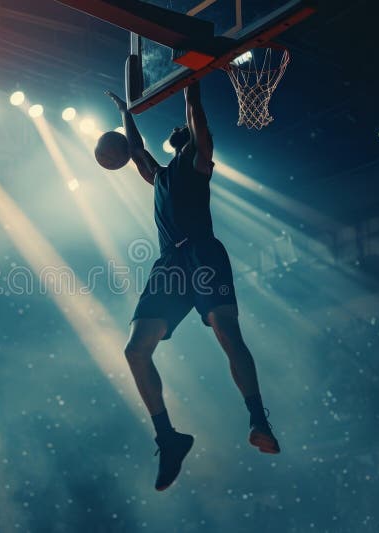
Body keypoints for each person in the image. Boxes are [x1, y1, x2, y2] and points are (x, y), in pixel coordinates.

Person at [106, 82, 280, 492]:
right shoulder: (161, 176)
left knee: (226, 332)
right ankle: (168, 438)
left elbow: (197, 115)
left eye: (185, 130)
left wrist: (191, 81)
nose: (181, 131)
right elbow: (134, 151)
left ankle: (258, 418)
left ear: (187, 139)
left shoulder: (199, 162)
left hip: (203, 255)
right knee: (135, 350)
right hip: (170, 263)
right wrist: (124, 114)